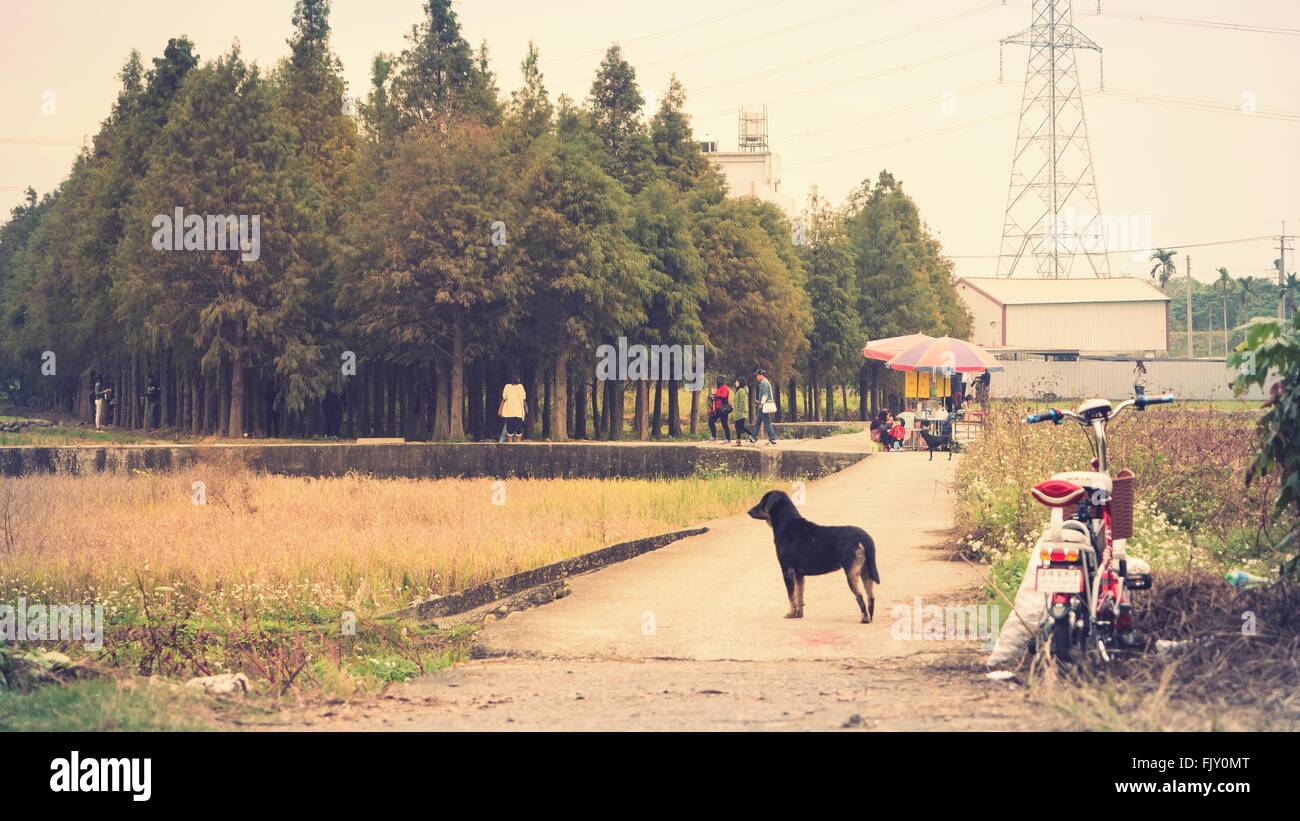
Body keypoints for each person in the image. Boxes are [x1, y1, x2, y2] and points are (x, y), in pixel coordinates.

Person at [752, 369, 777, 446]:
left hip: (764, 406)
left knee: (767, 423)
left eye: (757, 375)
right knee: (758, 422)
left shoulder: (765, 383)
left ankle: (772, 439)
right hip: (763, 406)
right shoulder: (763, 382)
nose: (756, 377)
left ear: (761, 375)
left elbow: (765, 395)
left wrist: (761, 404)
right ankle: (753, 437)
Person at [500, 375, 527, 443]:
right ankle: (518, 444)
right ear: (517, 380)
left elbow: (504, 397)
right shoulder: (521, 387)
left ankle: (510, 444)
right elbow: (524, 398)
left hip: (509, 412)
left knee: (509, 431)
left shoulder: (507, 386)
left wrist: (500, 410)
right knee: (519, 431)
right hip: (518, 412)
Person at [707, 377, 732, 442]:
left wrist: (716, 396)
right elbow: (717, 396)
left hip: (723, 408)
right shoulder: (719, 388)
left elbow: (723, 395)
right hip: (717, 409)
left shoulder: (724, 387)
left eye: (717, 380)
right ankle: (714, 436)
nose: (716, 382)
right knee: (711, 420)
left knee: (724, 423)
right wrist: (713, 396)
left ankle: (728, 439)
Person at [731, 378, 751, 446]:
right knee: (739, 426)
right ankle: (738, 441)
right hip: (738, 412)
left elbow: (742, 402)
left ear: (740, 383)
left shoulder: (742, 391)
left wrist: (739, 410)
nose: (735, 383)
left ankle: (752, 436)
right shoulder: (739, 390)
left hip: (741, 412)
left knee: (740, 426)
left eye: (736, 382)